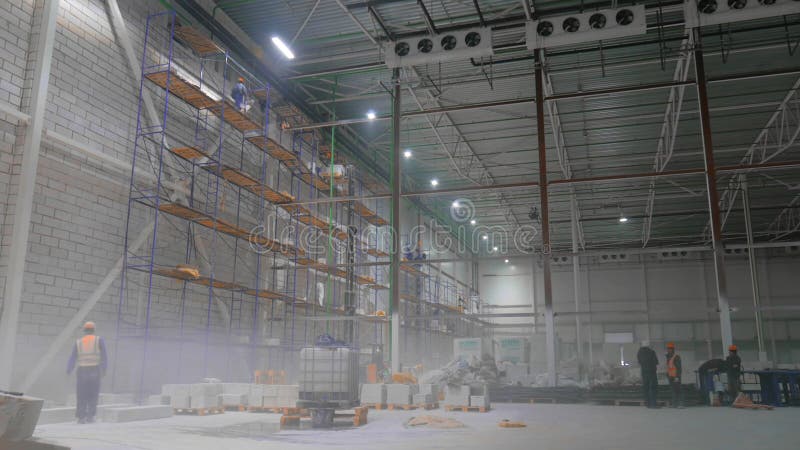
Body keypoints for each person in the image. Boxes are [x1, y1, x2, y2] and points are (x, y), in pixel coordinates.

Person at [67, 321, 107, 424]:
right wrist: (104, 369)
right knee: (93, 394)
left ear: (84, 330)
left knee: (81, 394)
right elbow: (104, 356)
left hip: (82, 371)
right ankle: (90, 417)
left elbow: (73, 357)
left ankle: (81, 418)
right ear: (94, 330)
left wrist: (69, 369)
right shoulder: (99, 340)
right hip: (95, 370)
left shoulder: (79, 342)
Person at [636, 341, 658, 408]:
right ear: (648, 345)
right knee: (653, 388)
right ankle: (653, 404)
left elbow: (639, 362)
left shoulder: (639, 353)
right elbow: (656, 362)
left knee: (646, 388)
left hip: (644, 373)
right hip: (652, 373)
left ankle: (647, 404)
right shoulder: (652, 352)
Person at [666, 342, 683, 408]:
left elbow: (679, 368)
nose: (669, 350)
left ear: (673, 349)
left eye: (670, 349)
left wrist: (677, 376)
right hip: (670, 376)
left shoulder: (676, 357)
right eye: (668, 349)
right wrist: (667, 375)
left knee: (678, 389)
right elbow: (669, 367)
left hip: (676, 376)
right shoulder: (668, 357)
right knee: (673, 390)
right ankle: (674, 404)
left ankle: (680, 404)